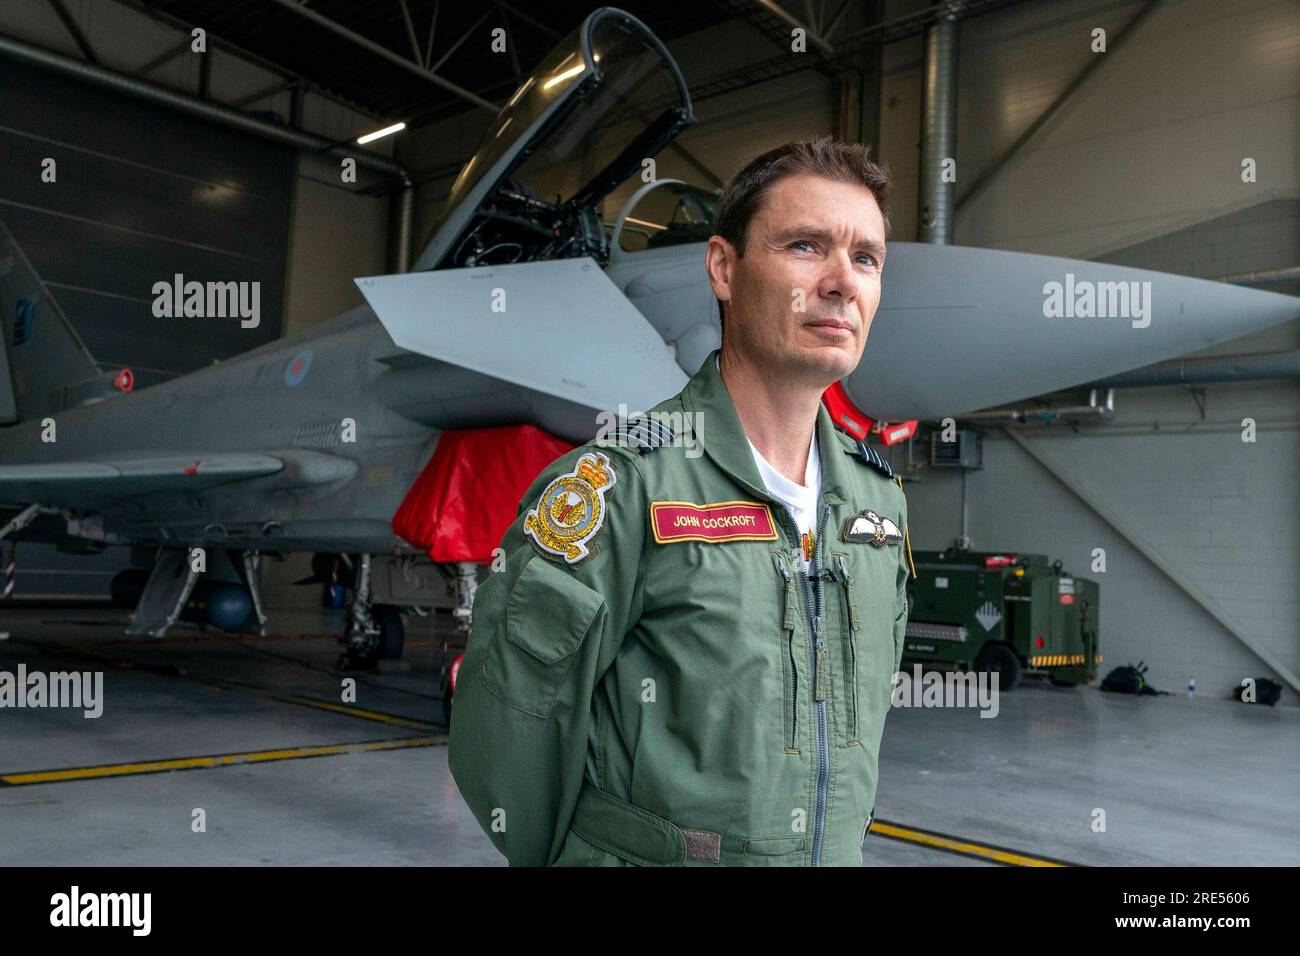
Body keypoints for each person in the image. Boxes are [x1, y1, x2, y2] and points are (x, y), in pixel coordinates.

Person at [448, 136, 914, 866]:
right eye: (804, 246)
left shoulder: (878, 508)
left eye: (866, 259)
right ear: (724, 269)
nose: (841, 283)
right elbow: (505, 730)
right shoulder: (621, 488)